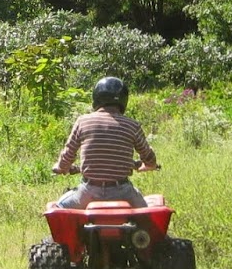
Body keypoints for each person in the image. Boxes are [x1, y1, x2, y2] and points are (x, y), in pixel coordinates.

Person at [52, 76, 159, 208]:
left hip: (88, 192)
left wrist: (61, 167)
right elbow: (148, 156)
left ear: (96, 98)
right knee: (147, 216)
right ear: (123, 100)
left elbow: (68, 154)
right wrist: (150, 165)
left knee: (58, 207)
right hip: (123, 192)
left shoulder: (83, 121)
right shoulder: (132, 125)